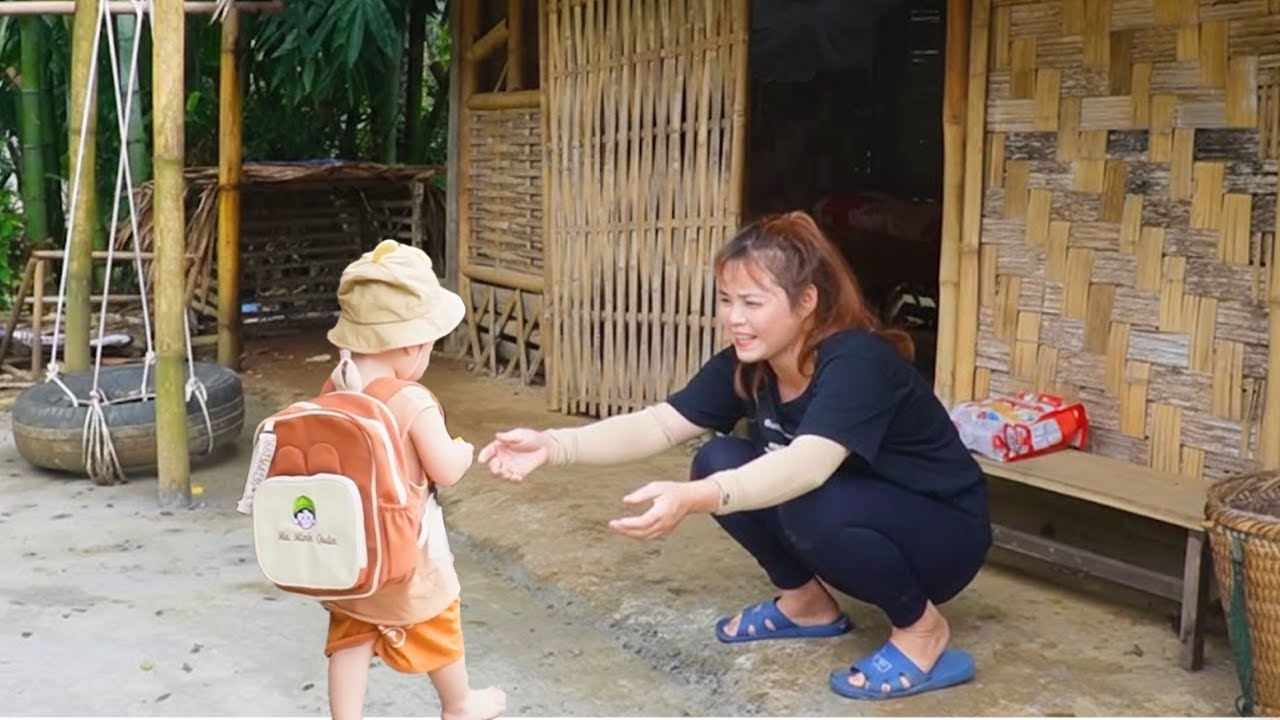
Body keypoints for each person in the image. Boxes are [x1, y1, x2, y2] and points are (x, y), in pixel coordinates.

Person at [478, 212, 991, 700]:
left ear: (806, 300)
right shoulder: (753, 363)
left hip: (943, 535)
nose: (733, 319)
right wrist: (552, 445)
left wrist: (697, 499)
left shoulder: (857, 362)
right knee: (718, 458)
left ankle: (923, 631)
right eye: (726, 300)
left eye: (752, 302)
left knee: (803, 497)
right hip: (863, 514)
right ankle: (807, 605)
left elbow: (807, 465)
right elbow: (659, 423)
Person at [322, 240, 506, 720]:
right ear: (409, 343)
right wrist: (465, 451)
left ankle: (346, 716)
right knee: (438, 618)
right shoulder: (411, 400)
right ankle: (459, 702)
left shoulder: (333, 388)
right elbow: (444, 468)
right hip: (407, 556)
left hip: (349, 557)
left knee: (351, 631)